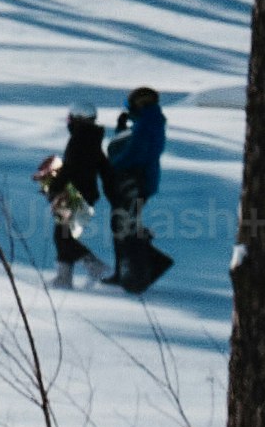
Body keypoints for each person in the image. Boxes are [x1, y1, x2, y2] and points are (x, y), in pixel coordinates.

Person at [106, 85, 173, 291]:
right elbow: (129, 146)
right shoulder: (147, 122)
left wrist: (115, 164)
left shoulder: (148, 124)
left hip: (136, 182)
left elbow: (135, 153)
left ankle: (137, 273)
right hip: (136, 181)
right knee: (122, 225)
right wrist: (122, 131)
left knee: (125, 226)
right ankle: (125, 272)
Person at [35, 108, 108, 279]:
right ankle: (64, 277)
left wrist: (54, 186)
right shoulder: (92, 140)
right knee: (63, 235)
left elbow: (70, 169)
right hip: (83, 194)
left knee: (62, 237)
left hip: (73, 195)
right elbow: (104, 168)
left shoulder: (79, 140)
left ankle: (94, 266)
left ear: (77, 120)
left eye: (71, 119)